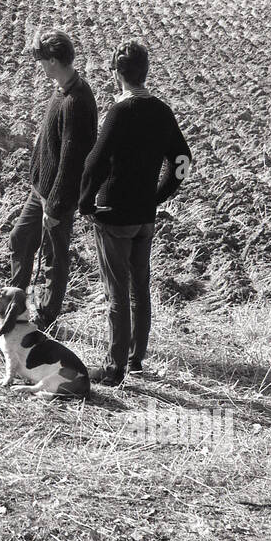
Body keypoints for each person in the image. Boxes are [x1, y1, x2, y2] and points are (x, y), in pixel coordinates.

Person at [79, 39, 191, 386]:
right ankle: (136, 359)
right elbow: (183, 160)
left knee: (117, 293)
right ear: (145, 72)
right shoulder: (161, 111)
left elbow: (95, 162)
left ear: (117, 75)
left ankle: (114, 369)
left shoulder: (119, 112)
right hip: (145, 217)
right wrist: (158, 197)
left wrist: (85, 202)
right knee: (140, 289)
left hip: (114, 216)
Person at [8, 28, 98, 331]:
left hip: (56, 196)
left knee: (53, 258)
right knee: (20, 239)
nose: (40, 65)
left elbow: (72, 163)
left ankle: (45, 318)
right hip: (42, 189)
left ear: (56, 60)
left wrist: (55, 207)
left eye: (43, 59)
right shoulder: (61, 90)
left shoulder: (77, 100)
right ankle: (15, 305)